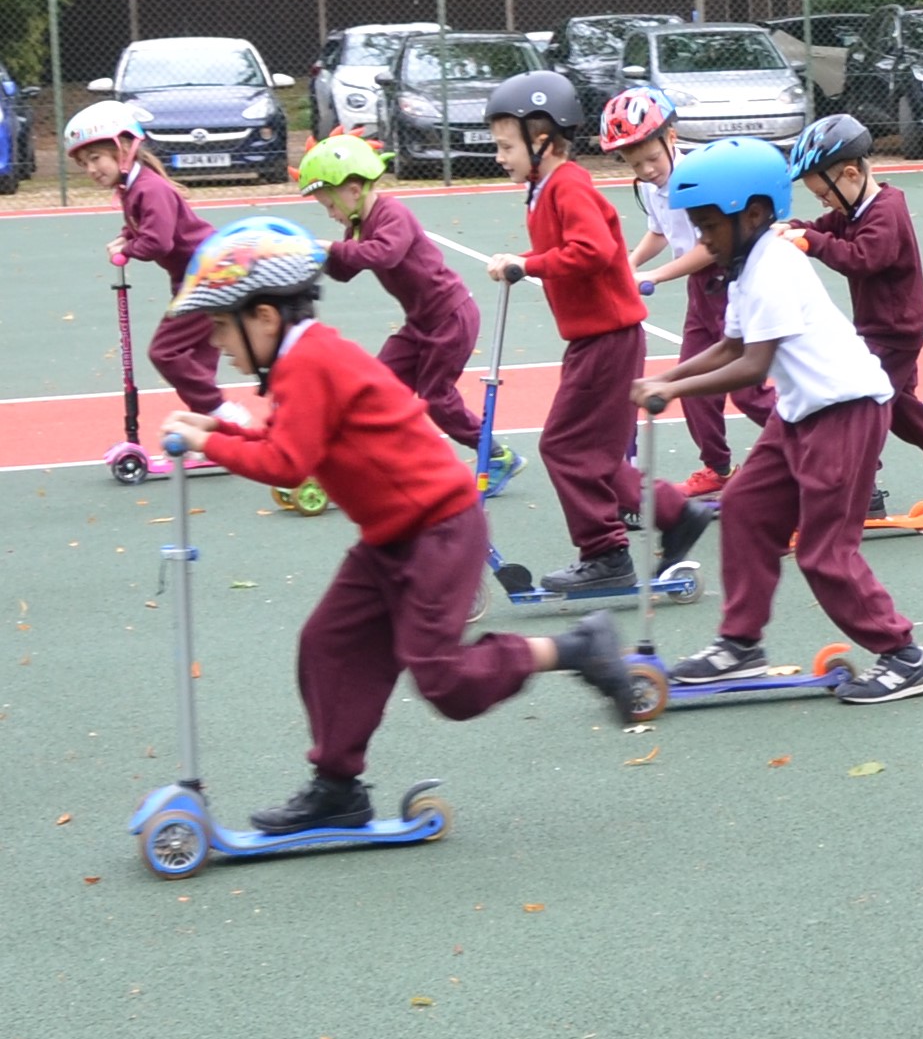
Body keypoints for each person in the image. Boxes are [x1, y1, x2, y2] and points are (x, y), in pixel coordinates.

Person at [158, 217, 640, 832]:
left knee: (445, 682)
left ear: (266, 317)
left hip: (438, 530)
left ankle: (578, 648)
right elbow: (283, 437)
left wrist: (209, 441)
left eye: (223, 326)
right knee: (329, 644)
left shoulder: (310, 362)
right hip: (392, 536)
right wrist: (214, 429)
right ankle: (337, 787)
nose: (219, 345)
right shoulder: (302, 358)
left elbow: (286, 465)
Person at [633, 138, 923, 705]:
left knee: (825, 550)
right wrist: (665, 381)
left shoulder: (774, 266)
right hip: (803, 412)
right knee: (746, 509)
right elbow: (728, 346)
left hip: (844, 410)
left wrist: (670, 391)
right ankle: (740, 643)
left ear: (752, 214)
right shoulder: (746, 266)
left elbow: (752, 364)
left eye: (707, 226)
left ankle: (904, 655)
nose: (701, 239)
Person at [480, 72, 711, 592]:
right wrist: (530, 262)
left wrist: (528, 264)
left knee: (564, 447)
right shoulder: (545, 188)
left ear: (541, 140)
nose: (499, 156)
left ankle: (605, 552)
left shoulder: (568, 184)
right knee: (597, 456)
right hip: (598, 338)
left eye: (505, 146)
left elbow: (594, 251)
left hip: (608, 338)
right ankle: (677, 515)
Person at [785, 113, 923, 523]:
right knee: (899, 408)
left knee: (860, 405)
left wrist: (810, 242)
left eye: (823, 194)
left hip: (895, 330)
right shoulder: (855, 209)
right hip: (881, 326)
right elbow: (822, 226)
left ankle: (866, 491)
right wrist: (791, 229)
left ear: (849, 174)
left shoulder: (886, 211)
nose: (823, 204)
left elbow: (863, 258)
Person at [297, 133, 523, 491]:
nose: (331, 213)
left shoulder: (392, 215)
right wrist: (315, 256)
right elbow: (344, 268)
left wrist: (331, 249)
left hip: (450, 317)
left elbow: (382, 254)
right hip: (421, 323)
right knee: (378, 383)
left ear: (353, 190)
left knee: (436, 397)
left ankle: (496, 456)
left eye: (330, 205)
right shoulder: (357, 225)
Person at [601, 84, 774, 496]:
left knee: (748, 392)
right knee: (695, 383)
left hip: (727, 282)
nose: (645, 169)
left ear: (672, 139)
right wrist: (629, 263)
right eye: (634, 162)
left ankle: (812, 446)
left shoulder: (698, 180)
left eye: (652, 158)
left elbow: (706, 248)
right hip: (701, 292)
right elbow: (660, 232)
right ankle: (717, 467)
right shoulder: (647, 186)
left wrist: (655, 277)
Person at [69, 102, 240, 424]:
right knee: (198, 360)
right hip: (196, 276)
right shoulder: (132, 188)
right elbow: (144, 225)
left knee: (165, 352)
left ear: (123, 149)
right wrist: (125, 236)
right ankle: (213, 430)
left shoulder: (149, 188)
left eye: (96, 158)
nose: (91, 169)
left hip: (208, 276)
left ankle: (223, 414)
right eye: (83, 163)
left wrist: (128, 249)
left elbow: (158, 241)